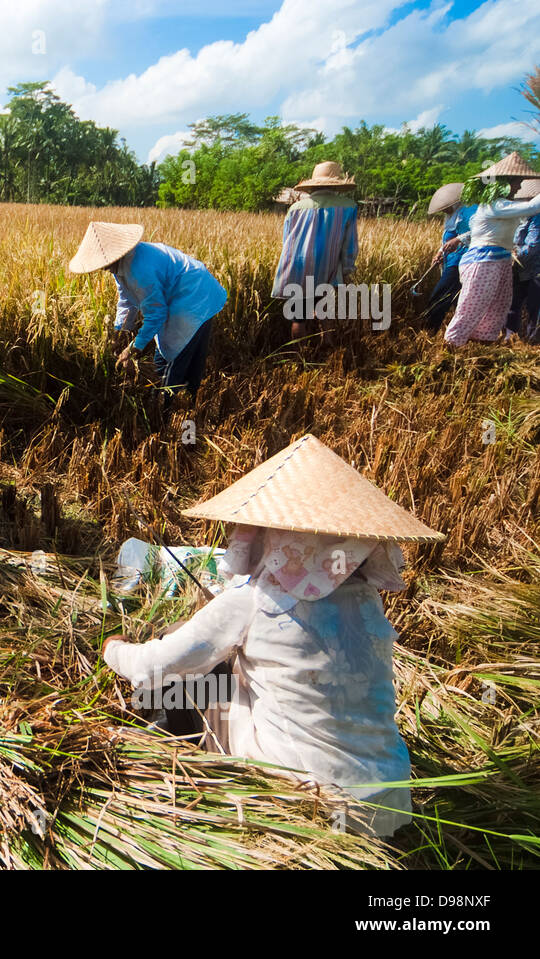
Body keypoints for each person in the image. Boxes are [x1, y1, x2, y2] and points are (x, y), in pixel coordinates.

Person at [103, 434, 444, 838]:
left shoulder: (255, 599)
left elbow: (151, 666)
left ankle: (184, 770)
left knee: (187, 661)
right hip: (388, 803)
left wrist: (115, 649)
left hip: (302, 800)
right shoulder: (368, 599)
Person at [68, 222, 227, 405]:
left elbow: (156, 315)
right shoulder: (122, 263)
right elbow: (126, 300)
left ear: (112, 256)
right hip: (198, 292)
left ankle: (166, 412)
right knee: (186, 354)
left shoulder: (139, 270)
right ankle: (191, 402)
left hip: (191, 297)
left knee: (172, 360)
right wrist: (119, 333)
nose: (101, 268)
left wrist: (133, 348)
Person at [443, 153, 540, 348]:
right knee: (472, 306)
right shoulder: (495, 205)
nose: (519, 187)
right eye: (516, 182)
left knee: (499, 306)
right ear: (503, 184)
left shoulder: (502, 206)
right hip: (483, 261)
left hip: (500, 261)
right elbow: (531, 207)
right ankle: (449, 349)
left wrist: (461, 238)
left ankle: (482, 344)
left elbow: (484, 229)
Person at [271, 161, 359, 343]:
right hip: (328, 267)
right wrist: (347, 269)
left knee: (299, 316)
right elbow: (349, 243)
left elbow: (287, 241)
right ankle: (327, 347)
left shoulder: (295, 208)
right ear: (336, 185)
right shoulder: (348, 206)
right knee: (325, 312)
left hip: (297, 267)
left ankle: (299, 357)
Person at [423, 182, 475, 331]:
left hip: (462, 260)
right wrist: (440, 252)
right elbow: (448, 239)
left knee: (440, 295)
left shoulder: (469, 212)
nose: (444, 210)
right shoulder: (450, 216)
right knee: (455, 298)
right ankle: (458, 331)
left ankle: (429, 330)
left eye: (445, 206)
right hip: (450, 260)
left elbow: (478, 232)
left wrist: (459, 240)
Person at [505, 178, 540, 340]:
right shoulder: (523, 218)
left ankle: (534, 343)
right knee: (512, 305)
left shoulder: (537, 218)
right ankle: (510, 338)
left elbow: (533, 244)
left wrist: (515, 255)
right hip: (519, 268)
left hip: (535, 270)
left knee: (534, 307)